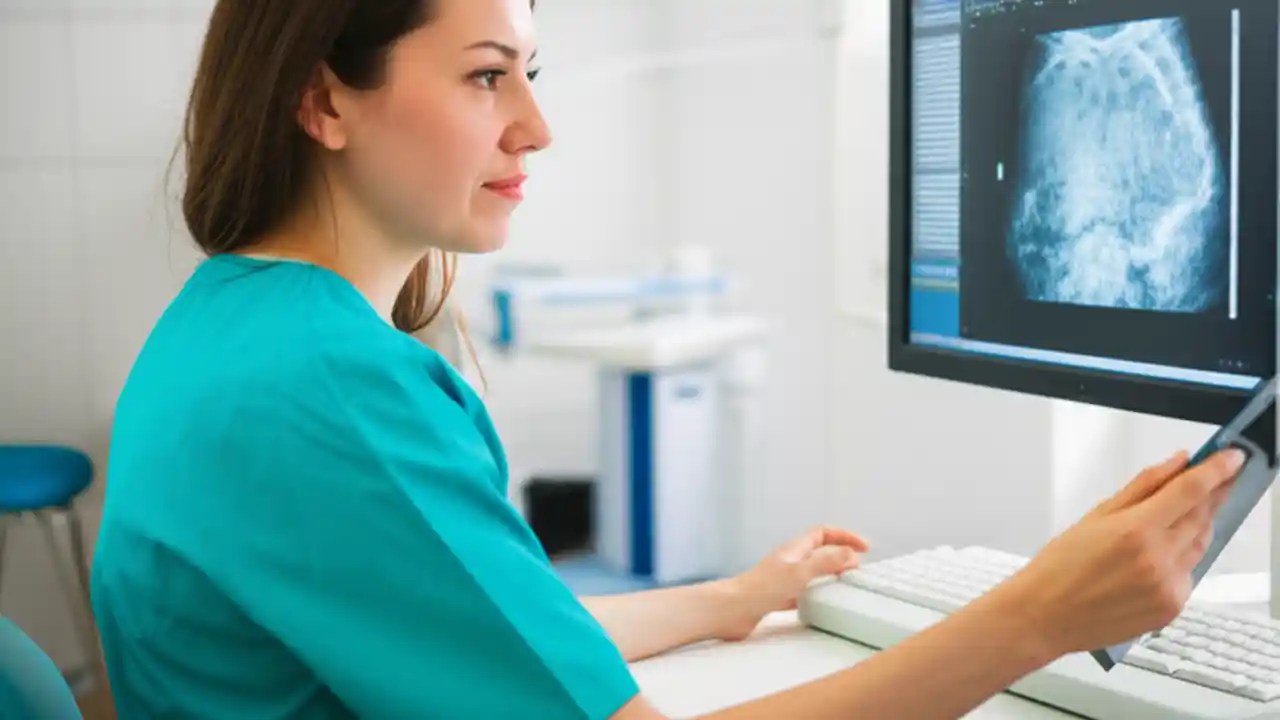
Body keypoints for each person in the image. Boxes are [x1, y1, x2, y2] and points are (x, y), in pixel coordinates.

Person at [89, 1, 1245, 718]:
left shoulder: (238, 323)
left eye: (531, 73)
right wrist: (1034, 618)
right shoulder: (332, 386)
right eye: (486, 74)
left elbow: (478, 629)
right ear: (322, 102)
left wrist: (730, 601)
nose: (535, 125)